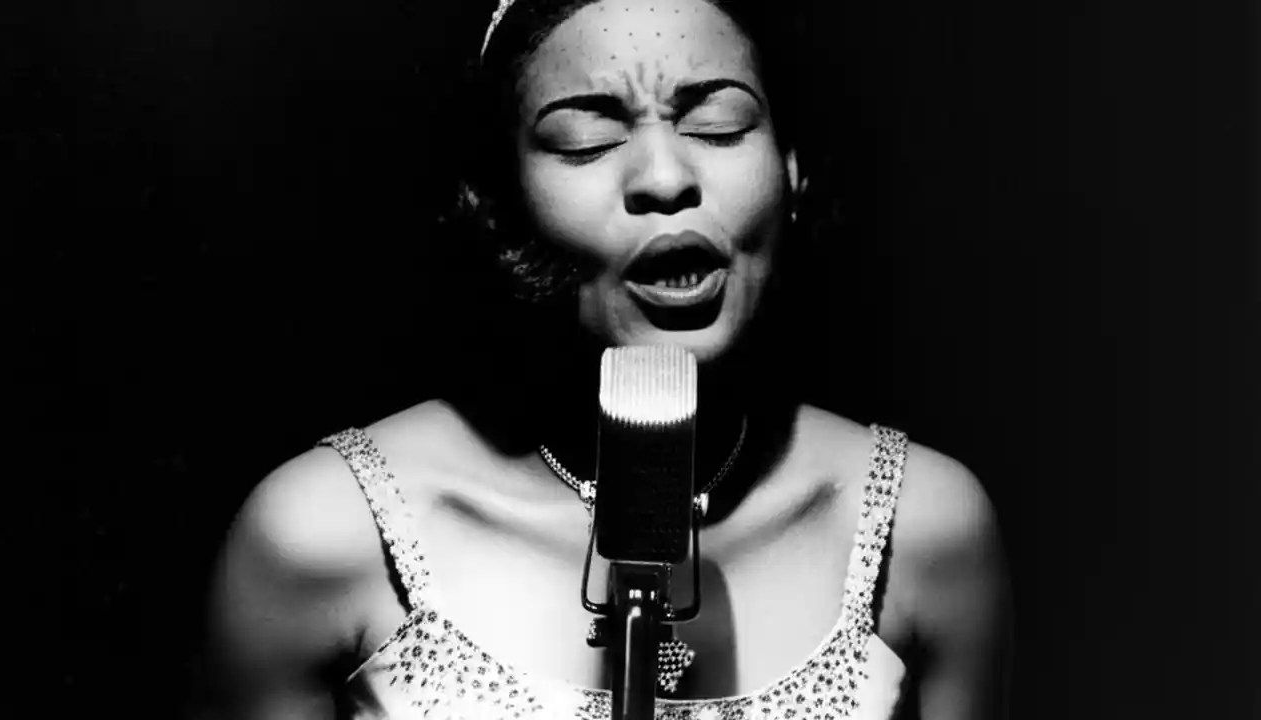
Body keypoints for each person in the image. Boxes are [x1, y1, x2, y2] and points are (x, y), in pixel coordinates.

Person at [201, 0, 1012, 718]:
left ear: (793, 168)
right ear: (493, 203)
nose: (664, 178)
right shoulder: (319, 535)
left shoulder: (925, 527)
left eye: (720, 125)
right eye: (586, 138)